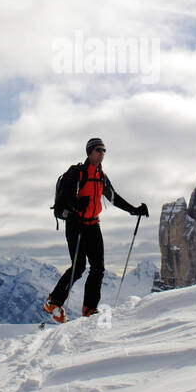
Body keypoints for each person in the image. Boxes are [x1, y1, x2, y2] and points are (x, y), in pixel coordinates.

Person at [45, 138, 147, 322]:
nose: (102, 153)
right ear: (90, 152)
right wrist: (77, 205)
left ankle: (89, 308)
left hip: (93, 223)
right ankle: (53, 302)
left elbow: (113, 197)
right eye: (98, 150)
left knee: (98, 268)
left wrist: (134, 210)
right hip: (76, 224)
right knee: (78, 267)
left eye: (104, 150)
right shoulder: (77, 172)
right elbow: (68, 196)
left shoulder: (101, 176)